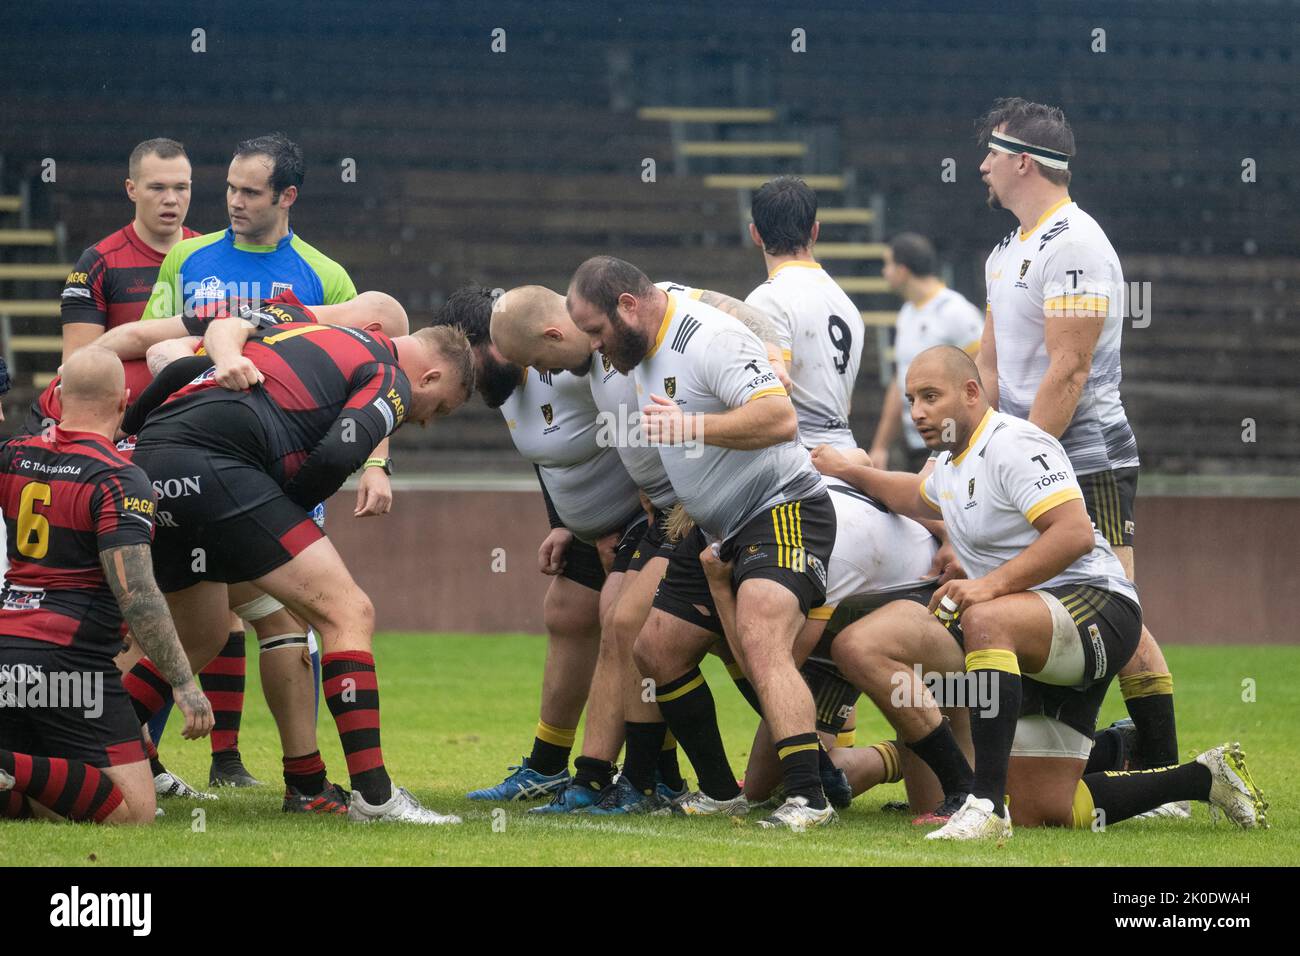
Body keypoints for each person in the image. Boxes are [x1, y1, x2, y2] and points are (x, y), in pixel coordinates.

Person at [821, 345, 1266, 839]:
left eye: (930, 396)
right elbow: (912, 494)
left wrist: (987, 585)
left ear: (972, 392)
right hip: (1031, 630)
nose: (918, 412)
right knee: (1047, 808)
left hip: (1099, 606)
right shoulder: (950, 464)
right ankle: (1203, 777)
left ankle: (985, 808)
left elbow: (1073, 533)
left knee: (984, 619)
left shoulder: (1013, 442)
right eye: (910, 400)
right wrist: (848, 471)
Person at [126, 315, 474, 823]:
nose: (425, 420)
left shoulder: (306, 330)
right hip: (215, 465)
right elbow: (337, 454)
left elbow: (185, 372)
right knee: (347, 612)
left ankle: (92, 744)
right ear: (433, 377)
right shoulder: (390, 373)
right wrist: (276, 514)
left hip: (152, 463)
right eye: (438, 408)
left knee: (198, 634)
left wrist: (132, 429)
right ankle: (376, 798)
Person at [567, 256, 840, 831]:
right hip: (716, 527)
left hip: (782, 507)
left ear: (627, 306)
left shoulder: (707, 338)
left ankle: (810, 797)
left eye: (595, 331)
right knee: (656, 647)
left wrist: (692, 426)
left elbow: (779, 419)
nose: (594, 346)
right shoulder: (645, 332)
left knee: (761, 638)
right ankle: (721, 790)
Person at [974, 97, 1179, 789]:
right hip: (1029, 457)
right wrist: (973, 449)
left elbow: (1070, 370)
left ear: (1023, 162)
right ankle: (1106, 757)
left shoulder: (1077, 244)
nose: (981, 167)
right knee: (1053, 610)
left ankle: (1164, 775)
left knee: (1119, 614)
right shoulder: (1006, 251)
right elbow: (989, 368)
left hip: (1087, 459)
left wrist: (1019, 457)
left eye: (992, 155)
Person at [0, 348, 213, 824]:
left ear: (56, 395)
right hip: (70, 662)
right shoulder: (119, 478)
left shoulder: (13, 455)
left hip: (8, 649)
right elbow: (135, 591)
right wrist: (182, 681)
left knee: (55, 800)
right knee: (135, 812)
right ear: (125, 401)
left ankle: (13, 768)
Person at [61, 138, 199, 398]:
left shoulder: (211, 257)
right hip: (121, 423)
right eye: (157, 187)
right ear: (131, 189)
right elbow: (76, 372)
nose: (171, 199)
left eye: (181, 187)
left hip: (195, 417)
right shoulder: (97, 264)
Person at [869, 233, 983, 472]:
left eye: (887, 264)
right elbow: (900, 382)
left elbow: (984, 378)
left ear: (902, 270)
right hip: (915, 444)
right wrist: (880, 446)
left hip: (952, 446)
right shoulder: (907, 313)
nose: (884, 272)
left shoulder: (956, 311)